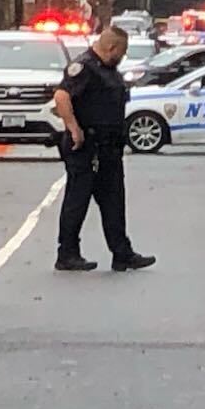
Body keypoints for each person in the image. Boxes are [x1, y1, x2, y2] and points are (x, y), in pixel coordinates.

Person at [53, 26, 155, 273]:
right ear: (112, 47)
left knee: (114, 202)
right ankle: (67, 254)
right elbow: (61, 97)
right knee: (77, 201)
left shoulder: (109, 70)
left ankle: (122, 254)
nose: (123, 56)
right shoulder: (84, 67)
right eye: (122, 51)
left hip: (109, 148)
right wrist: (74, 129)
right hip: (87, 146)